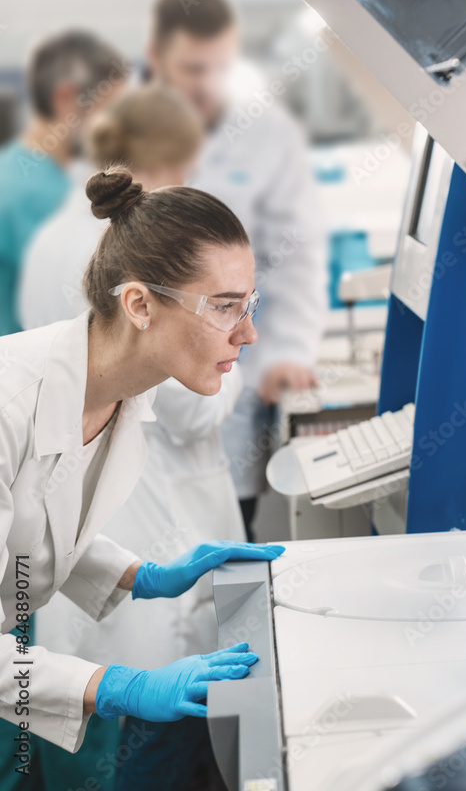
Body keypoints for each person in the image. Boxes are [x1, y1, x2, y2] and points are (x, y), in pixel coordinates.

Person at [0, 168, 284, 781]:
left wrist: (142, 575)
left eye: (249, 304)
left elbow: (40, 519)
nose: (249, 332)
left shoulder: (124, 392)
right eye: (226, 307)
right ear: (138, 305)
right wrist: (117, 685)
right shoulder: (8, 406)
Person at [147, 0, 328, 537]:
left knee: (226, 552)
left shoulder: (269, 135)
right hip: (139, 399)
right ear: (157, 59)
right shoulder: (123, 131)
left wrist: (289, 351)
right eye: (192, 68)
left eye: (220, 68)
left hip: (232, 389)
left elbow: (295, 257)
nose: (207, 85)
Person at [0, 30, 129, 337]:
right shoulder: (34, 195)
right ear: (66, 99)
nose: (122, 127)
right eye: (112, 109)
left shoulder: (28, 170)